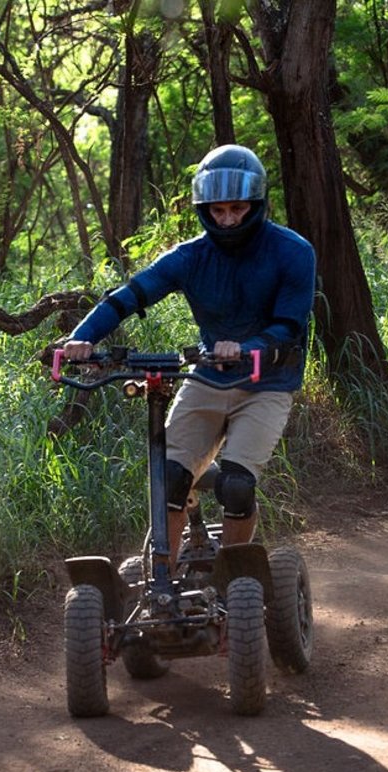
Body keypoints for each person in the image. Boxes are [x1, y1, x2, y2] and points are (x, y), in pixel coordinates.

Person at [61, 144, 316, 566]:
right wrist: (82, 337)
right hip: (209, 376)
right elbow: (131, 296)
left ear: (257, 204)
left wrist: (247, 348)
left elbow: (289, 327)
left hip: (266, 385)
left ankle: (235, 578)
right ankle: (160, 582)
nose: (228, 220)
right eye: (218, 211)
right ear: (205, 209)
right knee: (170, 480)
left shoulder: (293, 252)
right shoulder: (190, 257)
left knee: (236, 485)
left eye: (237, 208)